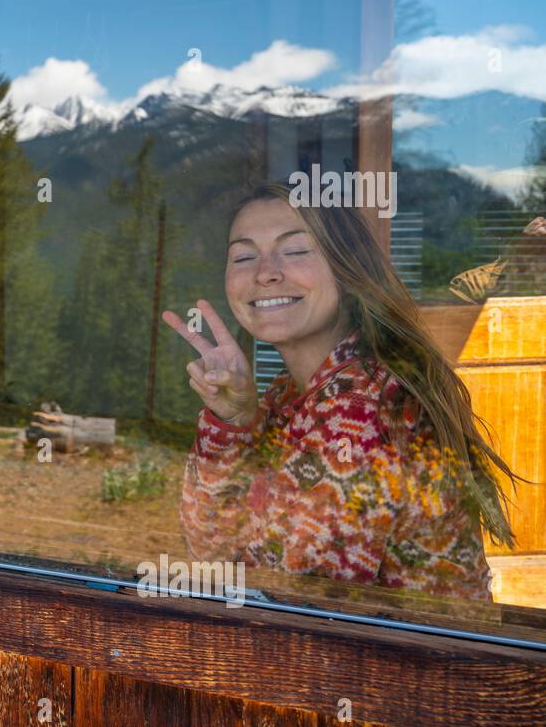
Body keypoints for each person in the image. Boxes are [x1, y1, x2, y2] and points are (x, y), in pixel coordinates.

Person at [162, 183, 522, 601]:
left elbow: (292, 602)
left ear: (347, 267)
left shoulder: (361, 410)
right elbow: (211, 548)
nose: (265, 272)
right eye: (243, 256)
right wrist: (235, 421)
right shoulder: (293, 391)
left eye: (295, 250)